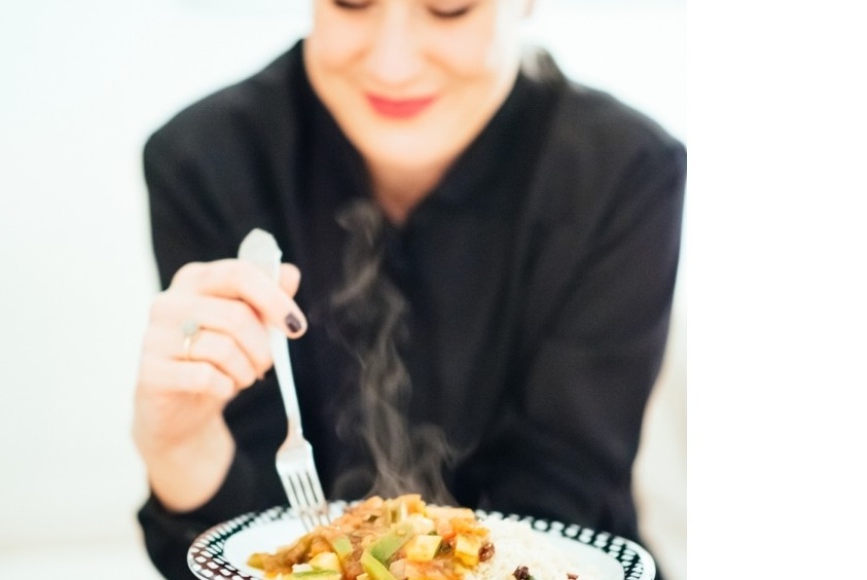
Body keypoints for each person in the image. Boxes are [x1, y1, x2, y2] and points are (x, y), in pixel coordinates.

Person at [132, 0, 686, 578]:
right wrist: (180, 448)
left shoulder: (625, 174)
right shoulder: (206, 161)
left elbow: (563, 501)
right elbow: (245, 547)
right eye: (350, 2)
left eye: (450, 8)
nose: (392, 64)